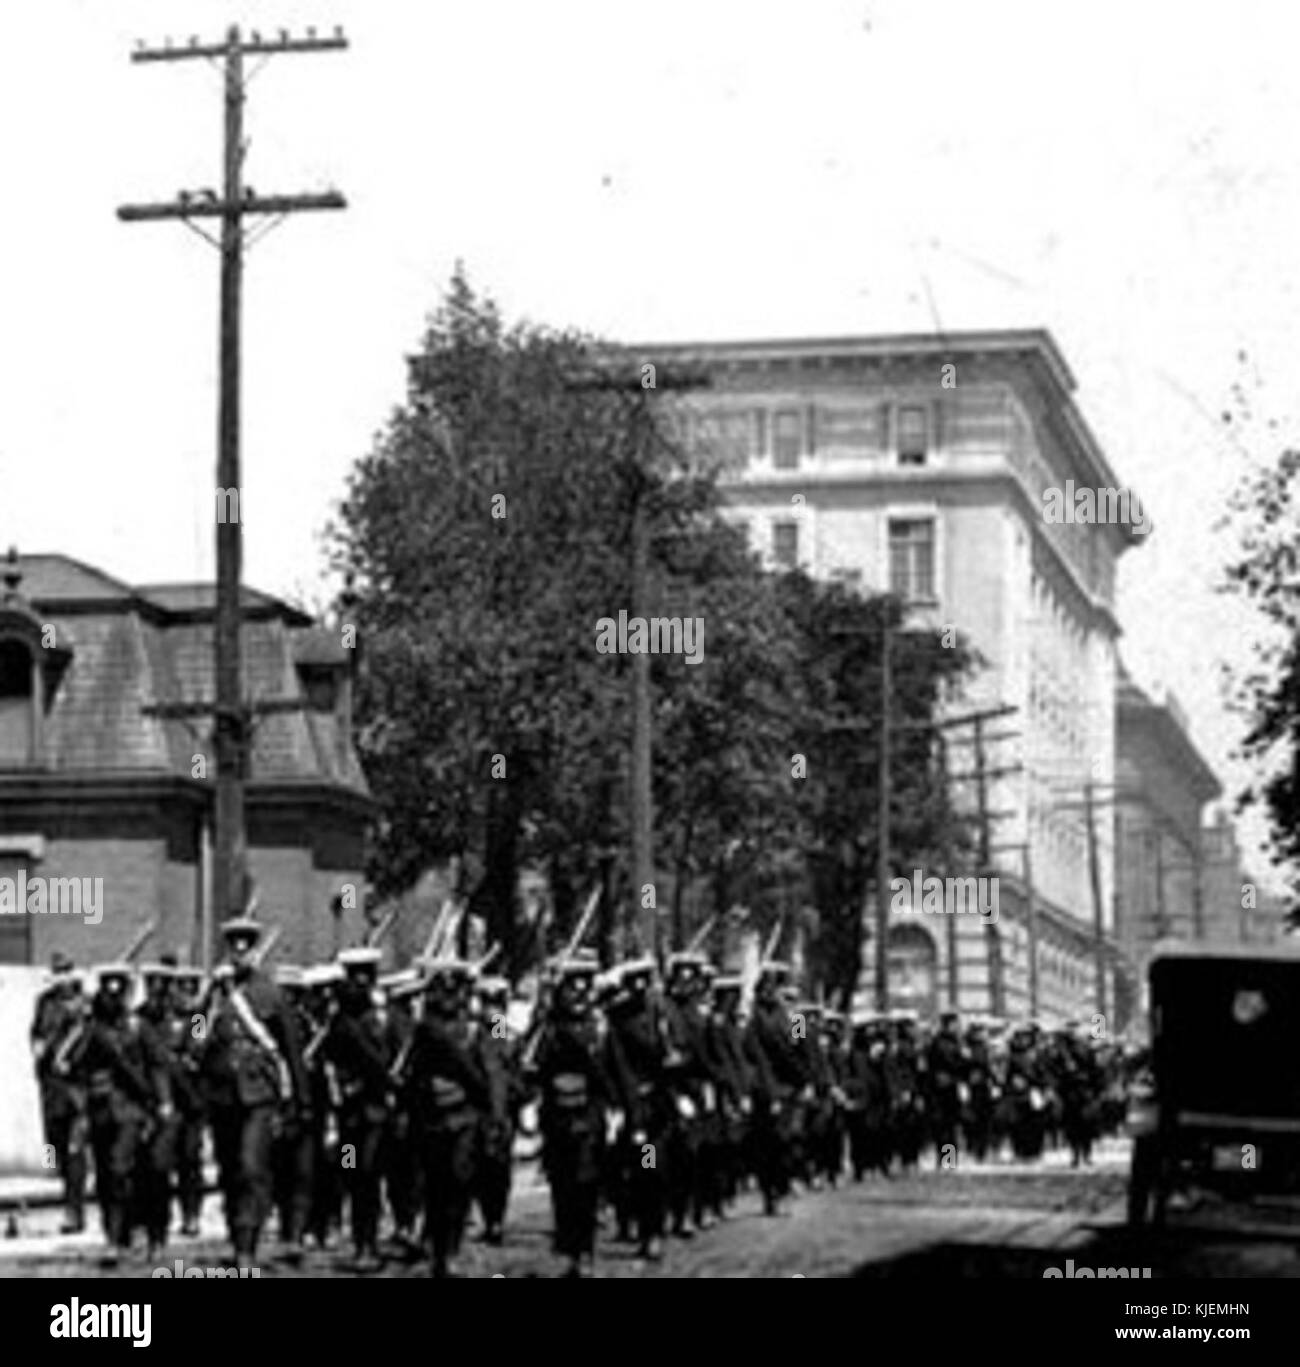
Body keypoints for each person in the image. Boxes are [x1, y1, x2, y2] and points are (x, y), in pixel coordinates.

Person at [200, 917, 307, 1272]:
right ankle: (236, 1235)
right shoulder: (215, 993)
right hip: (221, 1097)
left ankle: (248, 1245)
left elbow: (291, 1049)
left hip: (259, 1095)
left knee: (251, 1167)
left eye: (246, 944)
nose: (240, 951)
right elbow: (194, 1038)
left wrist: (299, 1103)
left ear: (255, 949)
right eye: (234, 945)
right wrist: (205, 1000)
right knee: (229, 1171)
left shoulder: (270, 993)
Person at [67, 963, 172, 1267]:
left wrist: (164, 1101)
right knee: (107, 1175)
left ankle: (154, 1235)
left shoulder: (141, 1026)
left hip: (135, 1110)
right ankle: (114, 1237)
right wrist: (81, 1109)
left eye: (119, 989)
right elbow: (70, 1068)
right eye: (107, 989)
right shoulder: (90, 1029)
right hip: (101, 1112)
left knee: (133, 1170)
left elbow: (157, 1065)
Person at [401, 957, 488, 1278]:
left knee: (460, 1182)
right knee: (437, 1188)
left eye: (455, 988)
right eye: (442, 989)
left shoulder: (482, 1024)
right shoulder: (425, 1029)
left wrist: (496, 1108)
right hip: (433, 1118)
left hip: (465, 1116)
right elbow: (413, 1074)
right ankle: (439, 1251)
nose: (449, 997)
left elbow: (496, 1062)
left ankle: (452, 1249)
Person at [529, 958, 613, 1277]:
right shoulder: (548, 1026)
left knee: (586, 1184)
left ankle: (585, 1251)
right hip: (556, 1118)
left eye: (583, 988)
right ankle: (569, 1249)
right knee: (561, 1185)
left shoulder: (599, 1026)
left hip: (589, 1115)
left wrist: (617, 1108)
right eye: (570, 989)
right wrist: (539, 1019)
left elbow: (610, 1069)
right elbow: (531, 1063)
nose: (578, 996)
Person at [327, 947, 396, 1272]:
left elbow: (388, 1063)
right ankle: (360, 1243)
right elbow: (330, 1062)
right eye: (354, 976)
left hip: (378, 1114)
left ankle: (370, 1241)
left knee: (370, 1174)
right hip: (349, 1118)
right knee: (353, 1174)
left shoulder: (380, 1019)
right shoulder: (339, 1021)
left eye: (365, 976)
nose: (359, 982)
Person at [603, 955, 672, 1260]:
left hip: (658, 1108)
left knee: (652, 1170)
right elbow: (617, 1067)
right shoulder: (618, 1021)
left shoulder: (661, 1014)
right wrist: (624, 1107)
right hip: (633, 1109)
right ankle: (635, 1225)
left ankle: (652, 1231)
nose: (642, 988)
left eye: (646, 980)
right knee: (632, 1172)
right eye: (636, 982)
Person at [30, 953, 89, 1234]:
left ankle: (74, 1212)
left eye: (65, 972)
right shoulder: (44, 1002)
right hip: (50, 1088)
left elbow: (89, 1039)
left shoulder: (84, 1004)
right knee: (54, 1147)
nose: (61, 979)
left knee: (76, 1150)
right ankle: (59, 1184)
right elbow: (36, 1032)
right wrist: (38, 1047)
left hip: (76, 1089)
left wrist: (72, 1060)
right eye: (57, 973)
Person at [745, 961, 808, 1215]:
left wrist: (805, 1082)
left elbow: (802, 1050)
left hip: (791, 1087)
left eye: (780, 988)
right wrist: (770, 1092)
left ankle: (782, 1189)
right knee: (769, 1144)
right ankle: (771, 1193)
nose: (776, 994)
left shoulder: (794, 1018)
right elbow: (758, 1057)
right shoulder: (756, 1018)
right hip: (768, 1088)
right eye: (771, 988)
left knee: (789, 1142)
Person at [473, 974, 521, 1245]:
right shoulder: (473, 1030)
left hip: (499, 1110)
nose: (492, 1008)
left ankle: (496, 1220)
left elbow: (502, 1069)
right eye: (487, 1001)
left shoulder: (500, 1029)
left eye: (496, 1002)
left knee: (497, 1165)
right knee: (482, 1166)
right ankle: (490, 1218)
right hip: (478, 1108)